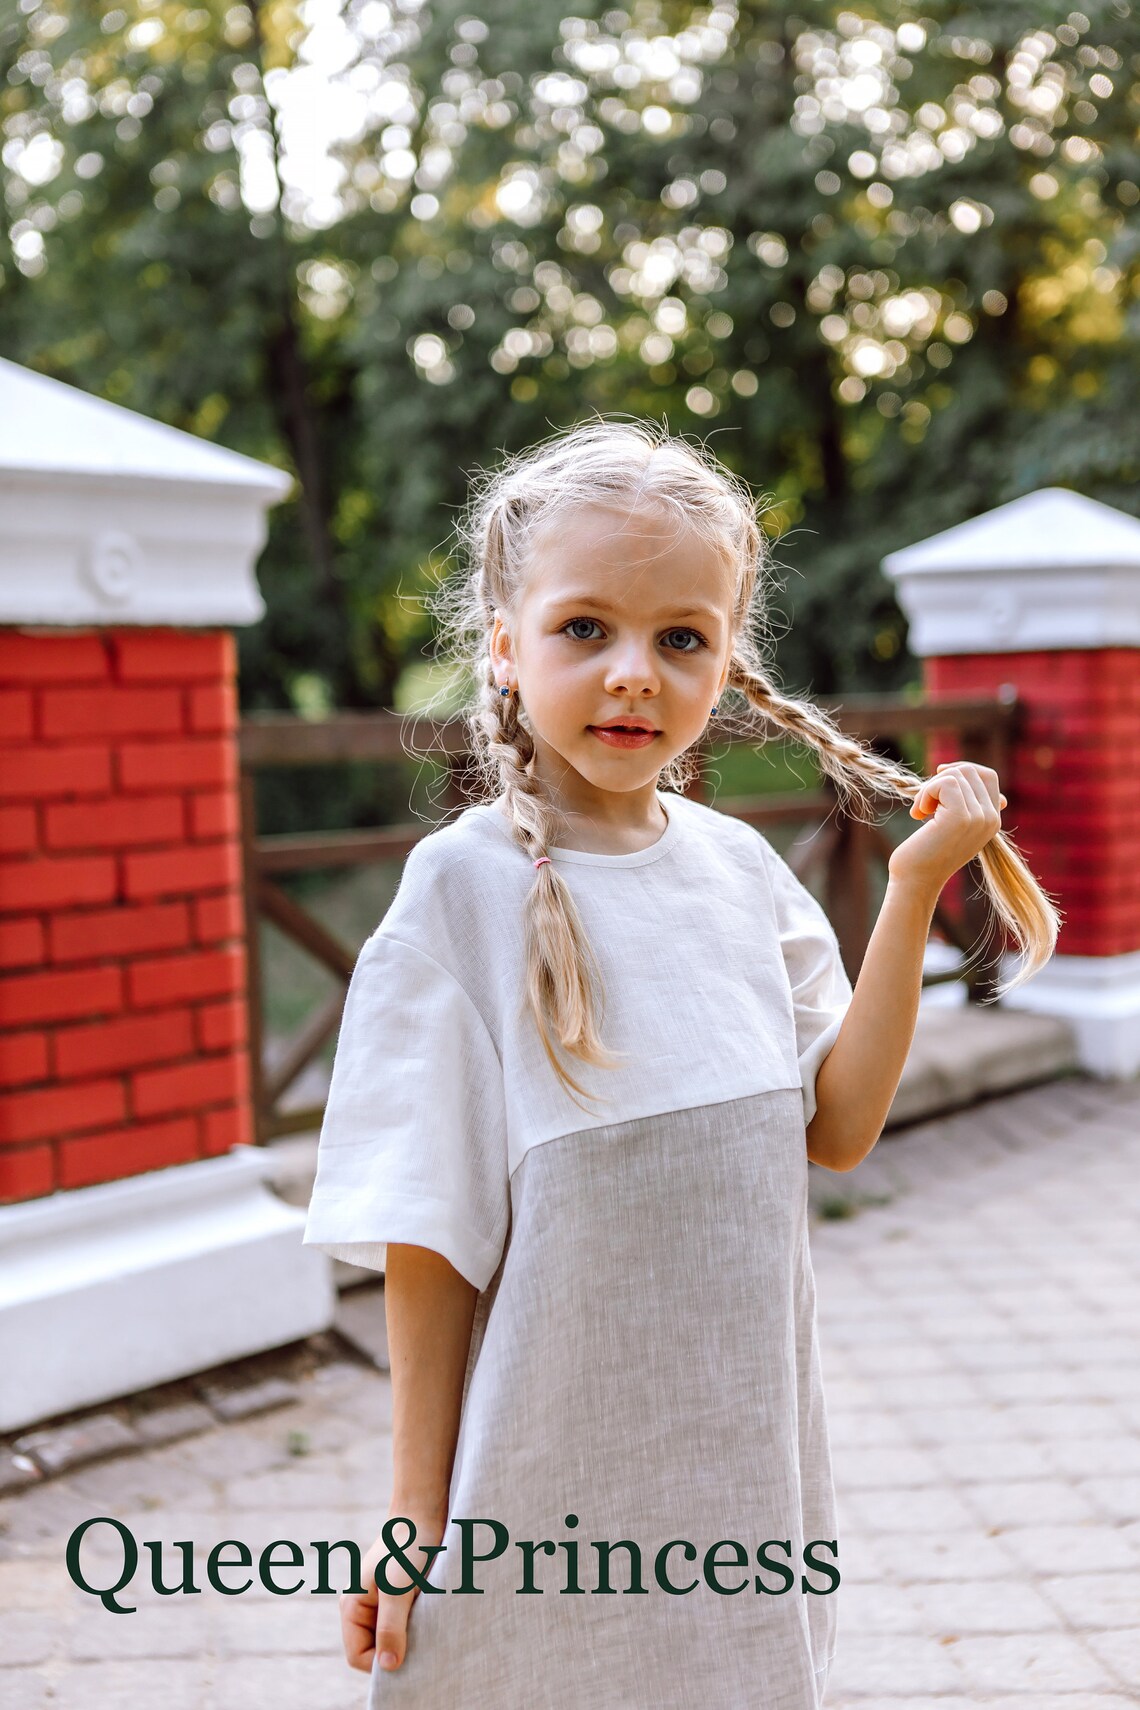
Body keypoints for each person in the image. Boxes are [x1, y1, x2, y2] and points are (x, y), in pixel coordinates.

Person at [302, 417, 1058, 1709]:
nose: (633, 674)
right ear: (504, 644)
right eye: (585, 628)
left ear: (728, 661)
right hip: (539, 1504)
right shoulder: (458, 896)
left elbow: (837, 1125)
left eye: (681, 637)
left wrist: (916, 886)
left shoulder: (739, 874)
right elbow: (428, 1242)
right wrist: (412, 1511)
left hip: (735, 1491)